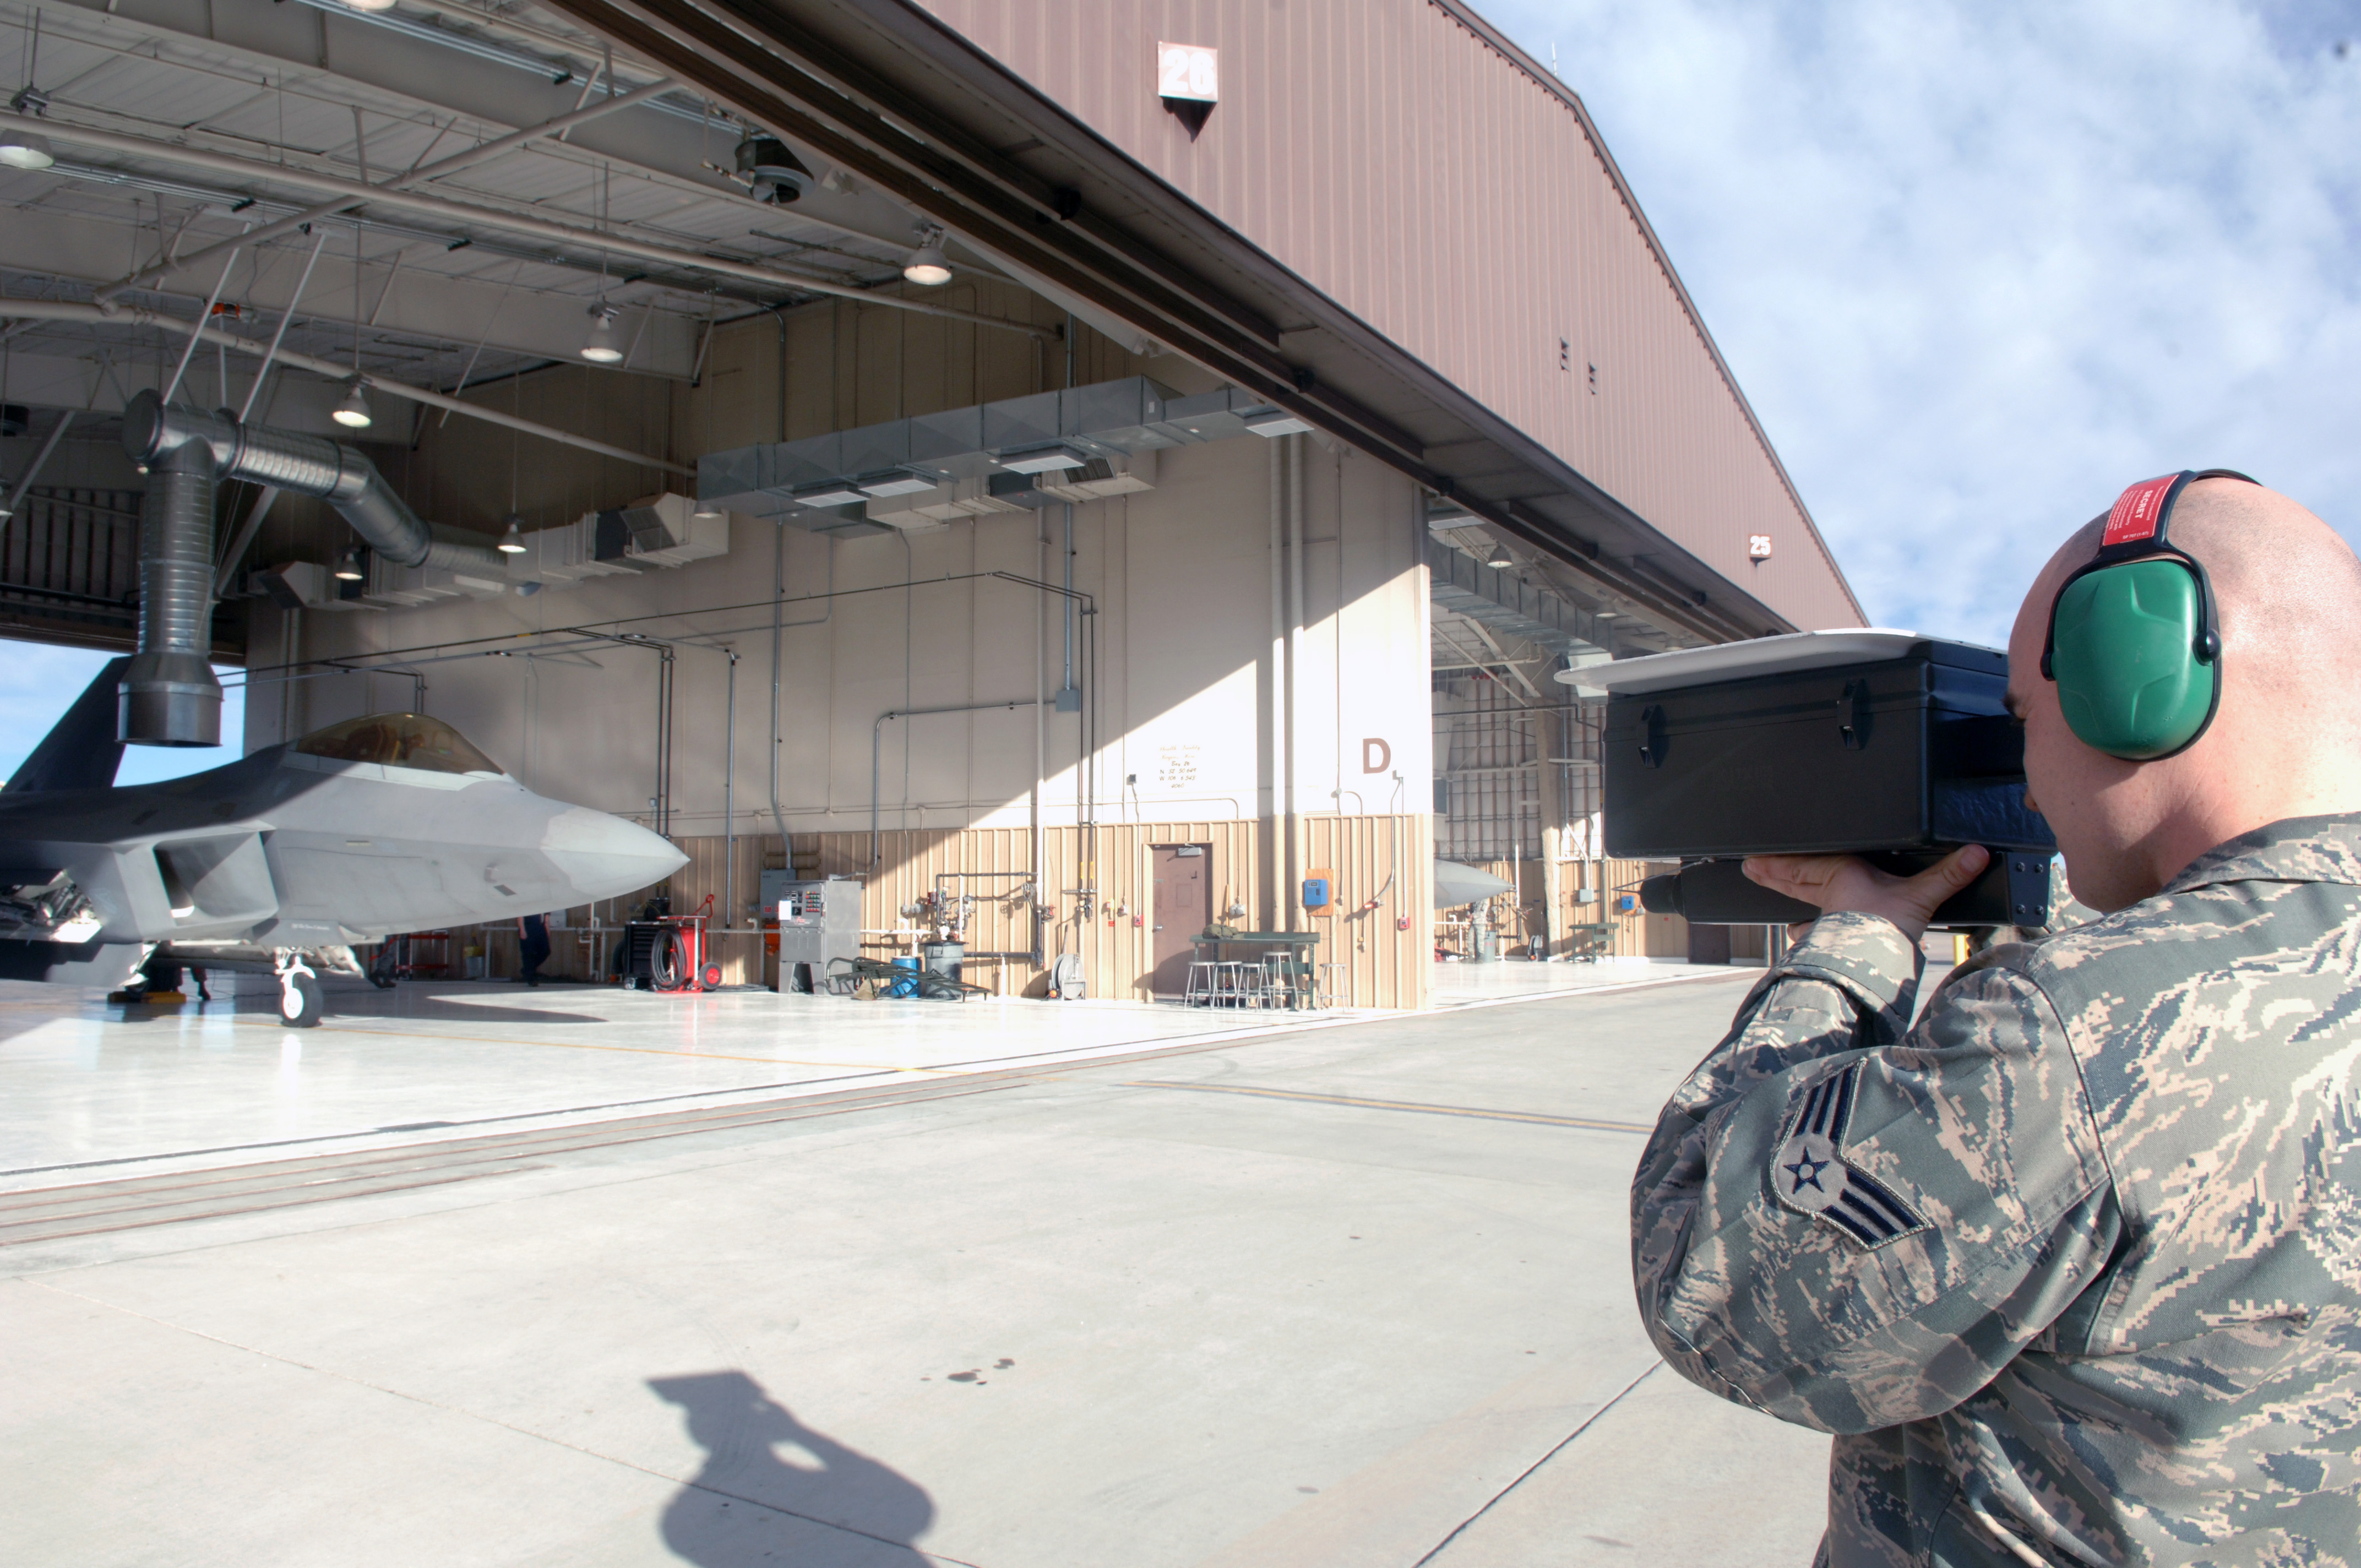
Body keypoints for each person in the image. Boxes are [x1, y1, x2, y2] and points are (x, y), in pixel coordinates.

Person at [1630, 475, 2361, 1565]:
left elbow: (1714, 1284)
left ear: (2138, 681)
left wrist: (1852, 949)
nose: (2021, 774)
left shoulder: (2084, 1028)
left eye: (2023, 716)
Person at [516, 912, 551, 987]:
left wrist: (547, 934)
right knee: (528, 953)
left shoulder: (546, 904)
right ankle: (531, 979)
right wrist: (522, 930)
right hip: (528, 927)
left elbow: (547, 920)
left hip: (541, 928)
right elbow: (520, 915)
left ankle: (527, 969)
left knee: (545, 951)